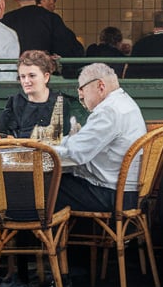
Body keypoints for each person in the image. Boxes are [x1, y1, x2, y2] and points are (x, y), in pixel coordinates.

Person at [52, 62, 147, 213]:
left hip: (113, 195)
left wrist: (43, 149)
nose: (80, 95)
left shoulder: (108, 111)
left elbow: (76, 153)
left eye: (82, 88)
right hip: (127, 193)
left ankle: (36, 236)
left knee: (46, 186)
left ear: (100, 86)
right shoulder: (125, 102)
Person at [0, 50, 77, 141]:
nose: (26, 81)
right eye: (22, 76)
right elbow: (3, 136)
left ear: (46, 77)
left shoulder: (61, 103)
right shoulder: (14, 102)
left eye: (32, 75)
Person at [2, 0, 84, 59]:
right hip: (44, 69)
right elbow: (70, 48)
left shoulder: (7, 19)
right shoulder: (51, 18)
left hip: (17, 69)